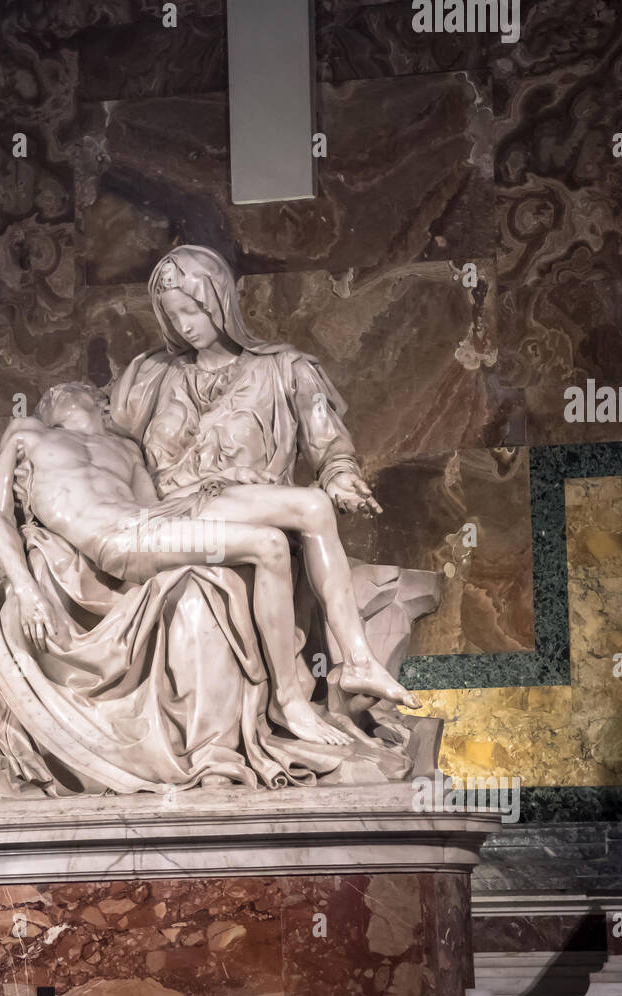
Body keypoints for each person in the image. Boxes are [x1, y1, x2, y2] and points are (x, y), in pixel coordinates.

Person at [111, 246, 420, 710]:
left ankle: (355, 662)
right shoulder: (151, 376)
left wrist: (339, 474)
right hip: (171, 516)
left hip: (248, 512)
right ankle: (356, 662)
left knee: (315, 504)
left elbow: (327, 442)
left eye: (193, 310)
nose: (185, 326)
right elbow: (99, 441)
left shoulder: (285, 368)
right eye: (173, 316)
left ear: (220, 301)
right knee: (310, 506)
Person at [0, 381, 350, 747]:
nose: (54, 392)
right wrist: (25, 588)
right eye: (50, 393)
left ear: (101, 403)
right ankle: (287, 702)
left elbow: (154, 507)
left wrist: (226, 479)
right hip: (119, 541)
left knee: (310, 504)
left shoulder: (125, 448)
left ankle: (355, 662)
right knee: (267, 544)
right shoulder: (25, 432)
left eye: (70, 388)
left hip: (149, 526)